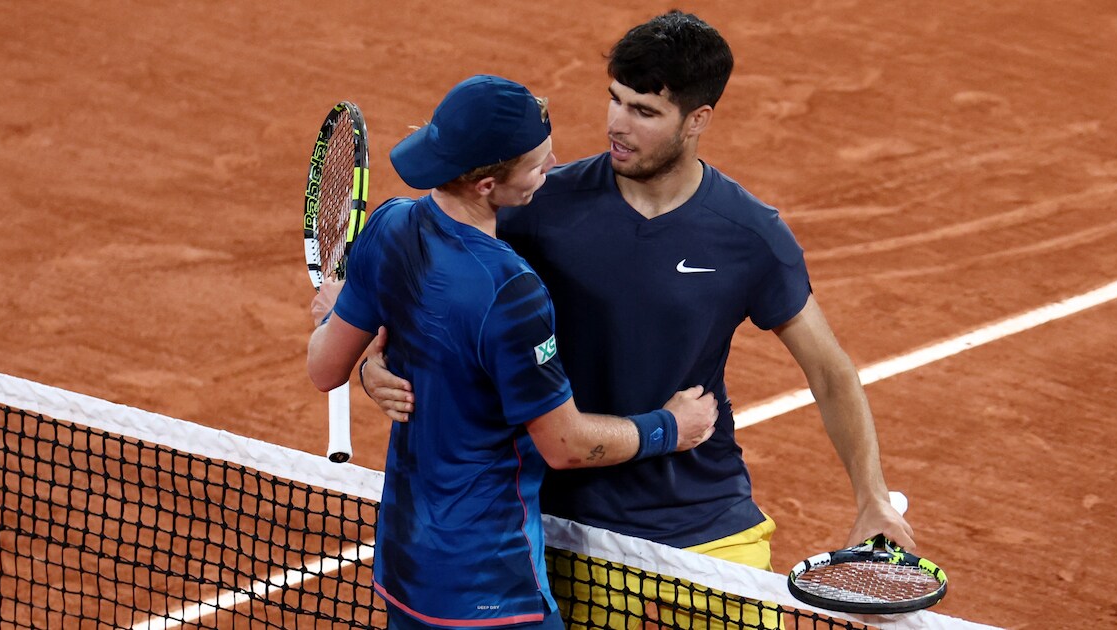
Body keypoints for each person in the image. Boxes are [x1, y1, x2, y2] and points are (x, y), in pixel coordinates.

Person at [363, 12, 915, 628]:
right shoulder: (540, 207)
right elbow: (428, 290)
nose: (617, 125)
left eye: (645, 112)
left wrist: (873, 500)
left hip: (708, 519)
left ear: (697, 119)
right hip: (573, 526)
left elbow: (831, 371)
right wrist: (373, 364)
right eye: (614, 100)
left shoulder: (750, 234)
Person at [306, 74, 717, 630]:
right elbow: (566, 445)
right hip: (490, 588)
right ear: (486, 186)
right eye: (537, 163)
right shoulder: (511, 290)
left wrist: (344, 329)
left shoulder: (389, 226)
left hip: (405, 569)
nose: (553, 167)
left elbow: (324, 366)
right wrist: (669, 426)